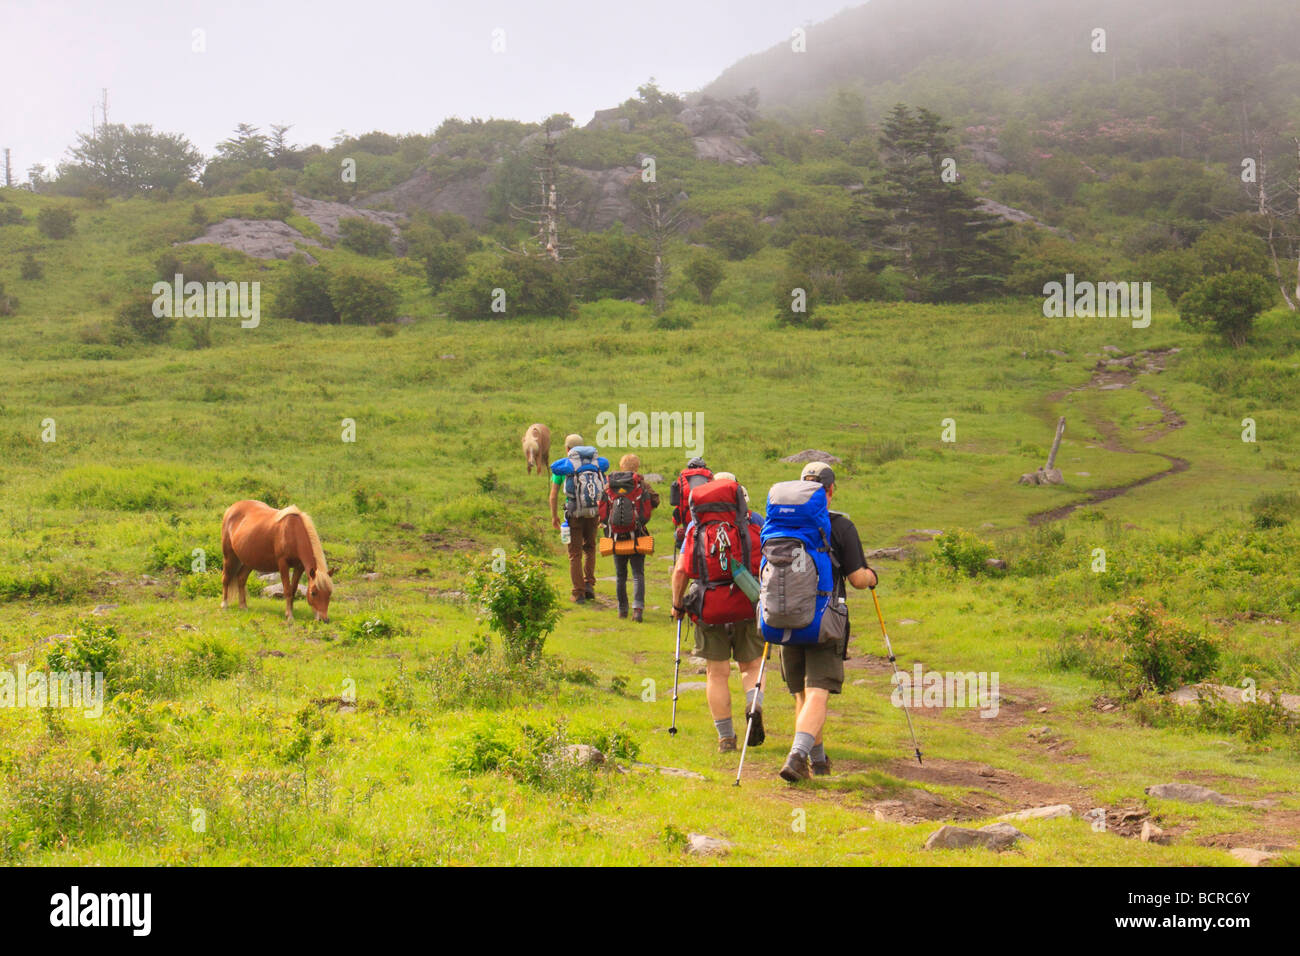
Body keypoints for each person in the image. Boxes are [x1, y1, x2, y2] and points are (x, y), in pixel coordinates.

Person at [778, 461, 876, 781]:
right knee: (818, 692)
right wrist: (873, 576)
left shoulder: (782, 524)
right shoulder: (841, 526)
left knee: (802, 696)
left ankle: (817, 762)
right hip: (823, 622)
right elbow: (858, 579)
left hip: (784, 619)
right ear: (831, 491)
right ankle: (797, 756)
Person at [669, 474, 766, 754]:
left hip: (709, 605)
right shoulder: (752, 523)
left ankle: (726, 739)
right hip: (747, 602)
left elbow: (681, 571)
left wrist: (677, 605)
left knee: (716, 674)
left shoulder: (695, 528)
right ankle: (754, 703)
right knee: (750, 666)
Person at [550, 434, 608, 604]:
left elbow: (553, 495)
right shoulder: (596, 465)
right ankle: (589, 584)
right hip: (593, 512)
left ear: (568, 449)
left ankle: (578, 593)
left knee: (574, 553)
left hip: (574, 513)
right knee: (590, 548)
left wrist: (554, 516)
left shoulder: (565, 467)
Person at [607, 453, 659, 622]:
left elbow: (603, 507)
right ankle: (638, 611)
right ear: (636, 467)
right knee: (638, 573)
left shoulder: (611, 484)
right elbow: (655, 501)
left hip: (616, 537)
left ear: (621, 466)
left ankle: (622, 610)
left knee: (620, 575)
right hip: (638, 535)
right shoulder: (641, 484)